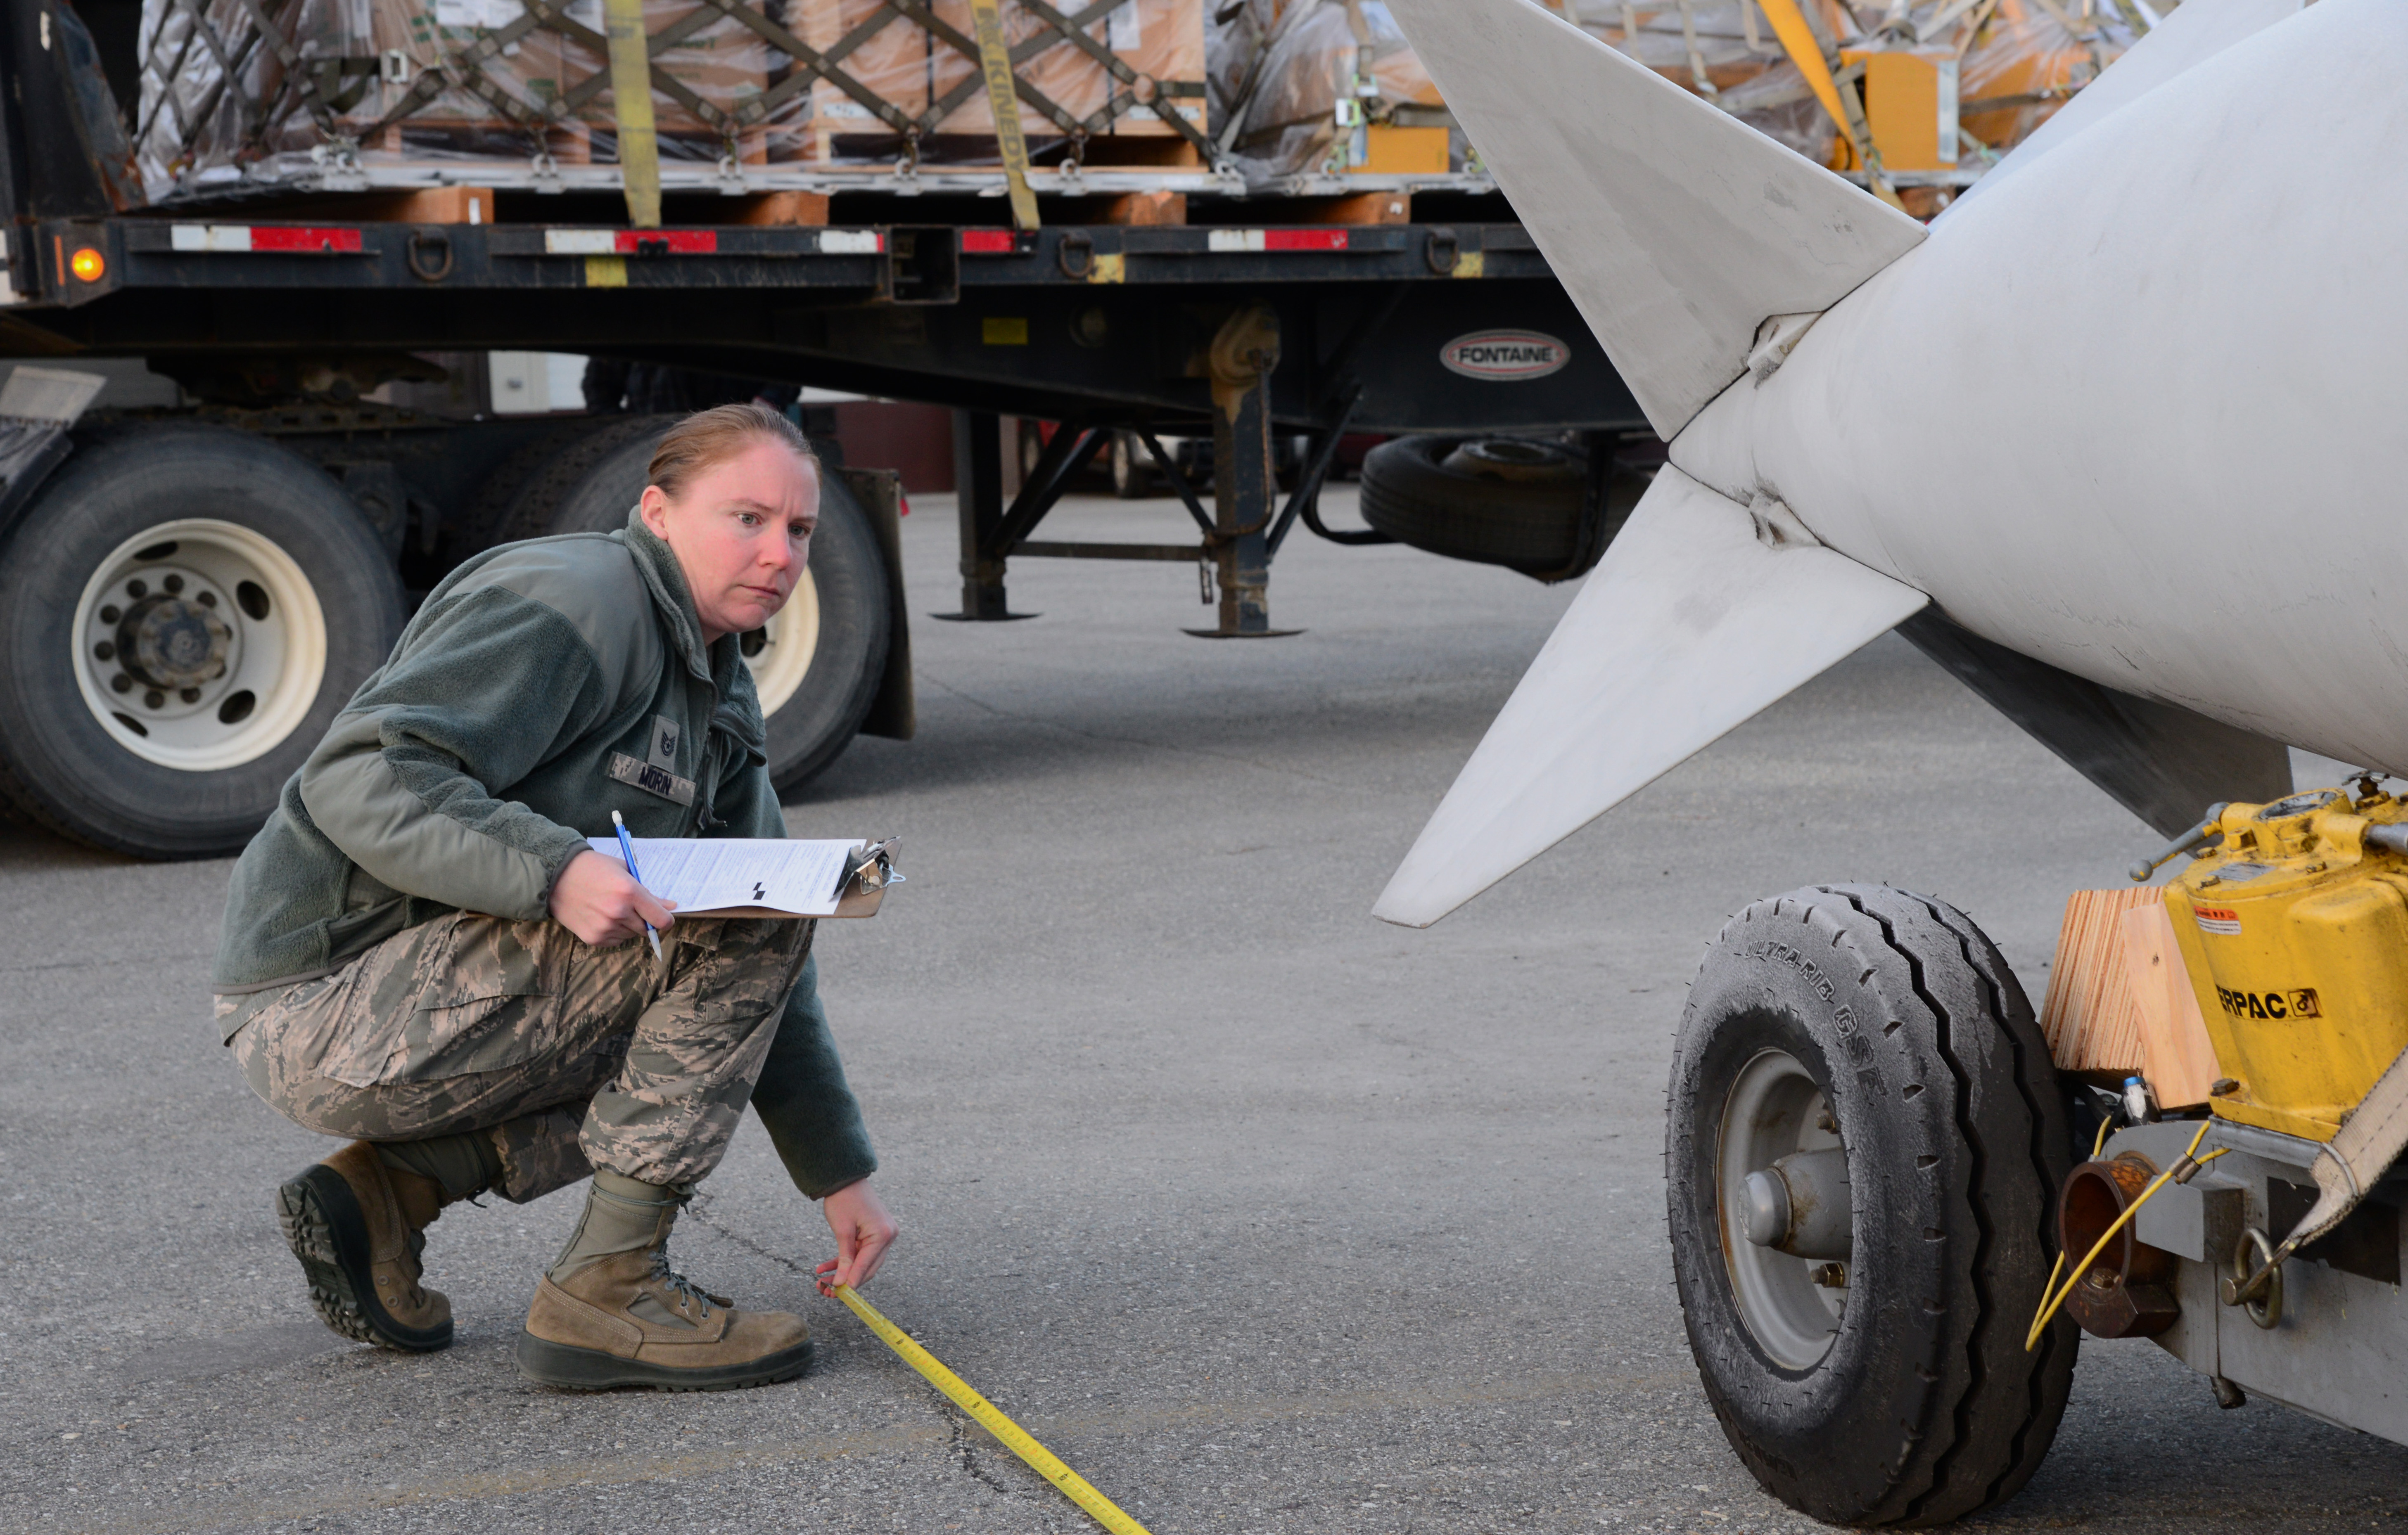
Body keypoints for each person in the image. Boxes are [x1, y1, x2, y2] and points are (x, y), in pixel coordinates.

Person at [211, 403, 897, 1391]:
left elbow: (771, 937)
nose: (780, 551)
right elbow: (362, 774)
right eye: (746, 517)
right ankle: (607, 1290)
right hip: (320, 1003)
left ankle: (395, 1192)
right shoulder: (580, 603)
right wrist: (553, 868)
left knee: (732, 960)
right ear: (658, 512)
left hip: (419, 1003)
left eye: (799, 529)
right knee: (716, 943)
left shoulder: (719, 688)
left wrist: (840, 1172)